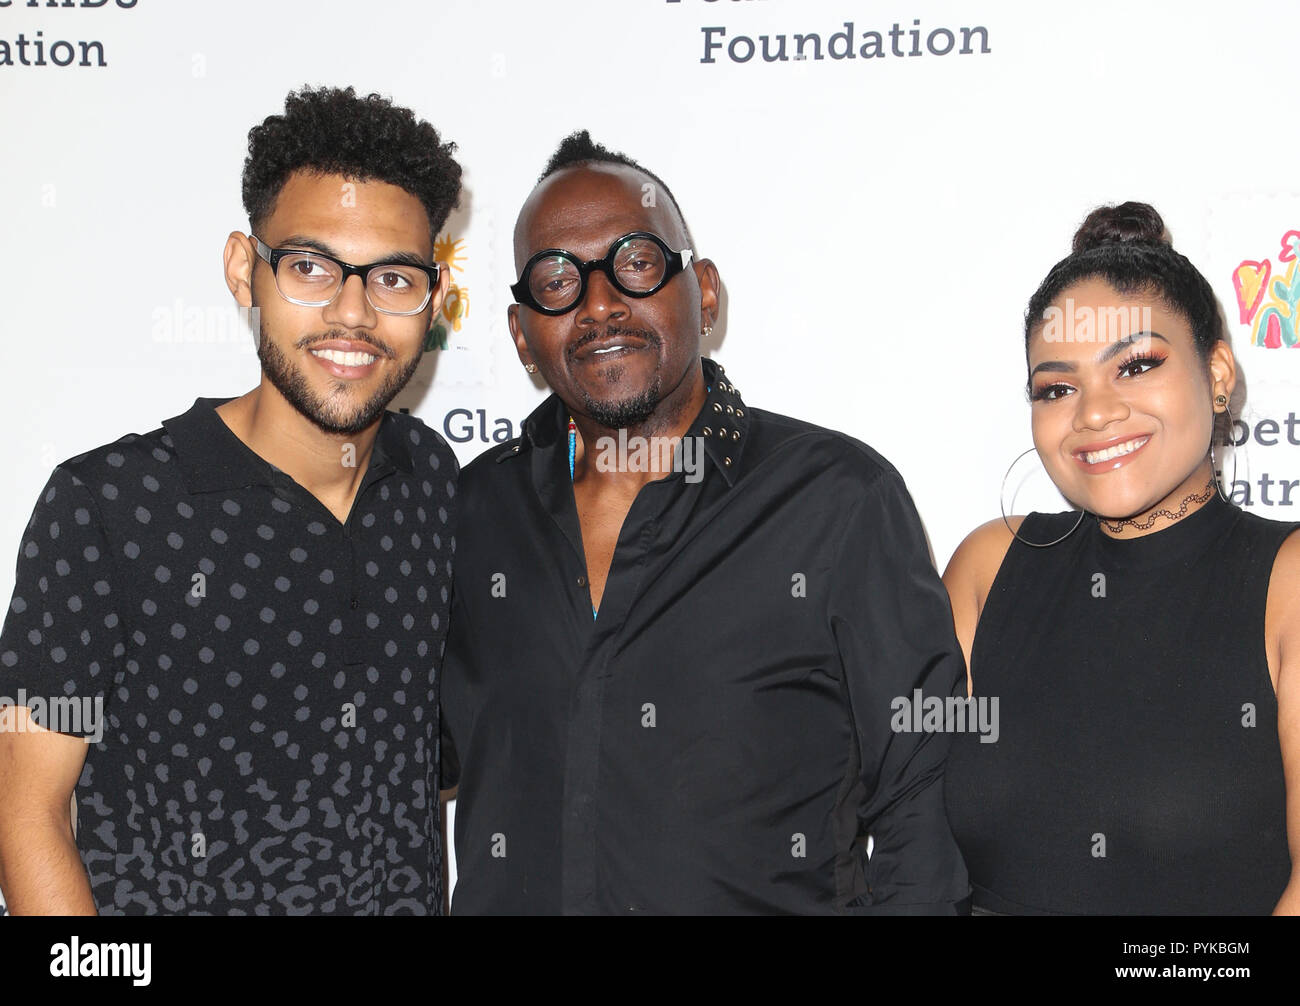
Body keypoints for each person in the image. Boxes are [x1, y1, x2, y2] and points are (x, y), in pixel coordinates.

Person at [439, 130, 969, 914]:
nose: (599, 304)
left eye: (637, 262)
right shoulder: (468, 513)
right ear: (521, 334)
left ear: (706, 292)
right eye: (556, 282)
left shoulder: (836, 500)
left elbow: (923, 794)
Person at [0, 85, 462, 914]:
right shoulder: (107, 506)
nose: (351, 314)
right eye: (311, 268)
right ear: (244, 271)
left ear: (431, 297)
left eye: (393, 277)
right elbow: (22, 808)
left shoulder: (433, 483)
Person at [942, 202, 1300, 915]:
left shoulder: (1286, 580)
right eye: (1058, 388)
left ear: (1219, 374)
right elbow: (905, 832)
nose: (1094, 412)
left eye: (1136, 365)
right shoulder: (988, 568)